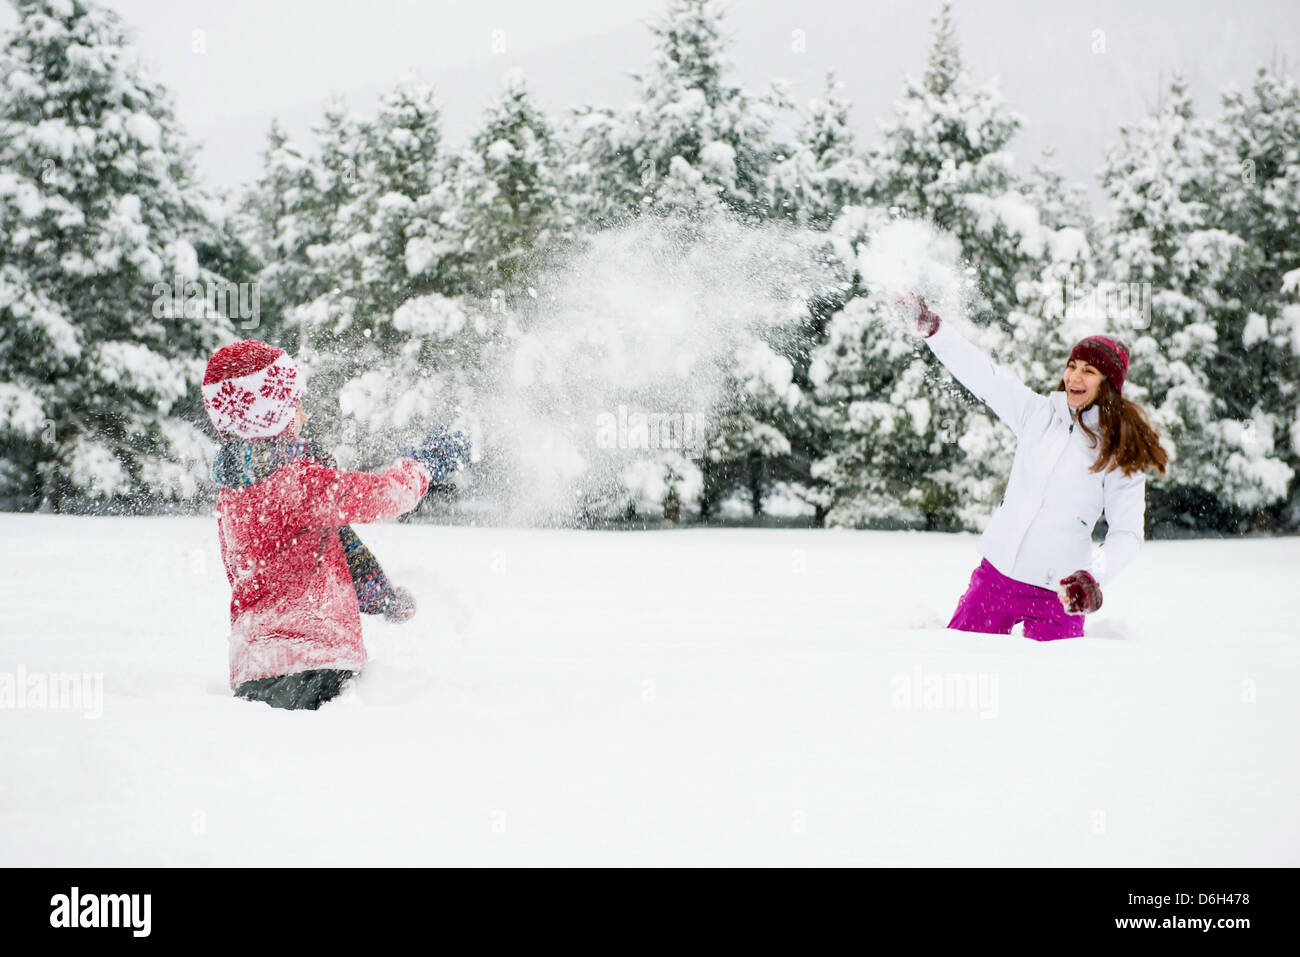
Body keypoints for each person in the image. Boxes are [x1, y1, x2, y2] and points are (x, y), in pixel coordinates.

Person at [202, 339, 471, 709]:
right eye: (295, 405)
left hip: (254, 671)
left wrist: (379, 595)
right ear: (271, 415)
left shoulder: (231, 495)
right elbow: (385, 495)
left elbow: (267, 569)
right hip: (316, 666)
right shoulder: (297, 482)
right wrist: (423, 466)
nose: (304, 416)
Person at [904, 295, 1169, 640]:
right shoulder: (1036, 414)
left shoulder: (1119, 450)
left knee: (1051, 690)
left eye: (1089, 371)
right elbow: (984, 375)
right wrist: (933, 329)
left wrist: (1092, 577)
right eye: (1072, 365)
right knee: (962, 659)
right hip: (997, 577)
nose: (1075, 375)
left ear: (1109, 384)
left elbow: (1128, 535)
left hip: (1059, 593)